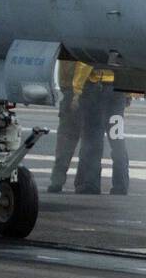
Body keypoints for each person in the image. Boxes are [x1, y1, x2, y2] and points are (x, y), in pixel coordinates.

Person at [72, 62, 118, 195]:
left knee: (92, 136)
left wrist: (77, 90)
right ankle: (120, 185)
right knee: (115, 138)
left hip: (97, 86)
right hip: (116, 88)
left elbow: (85, 61)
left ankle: (90, 183)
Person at [47, 59, 84, 193]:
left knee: (65, 141)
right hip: (81, 90)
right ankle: (83, 182)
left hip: (71, 90)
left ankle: (57, 181)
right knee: (88, 144)